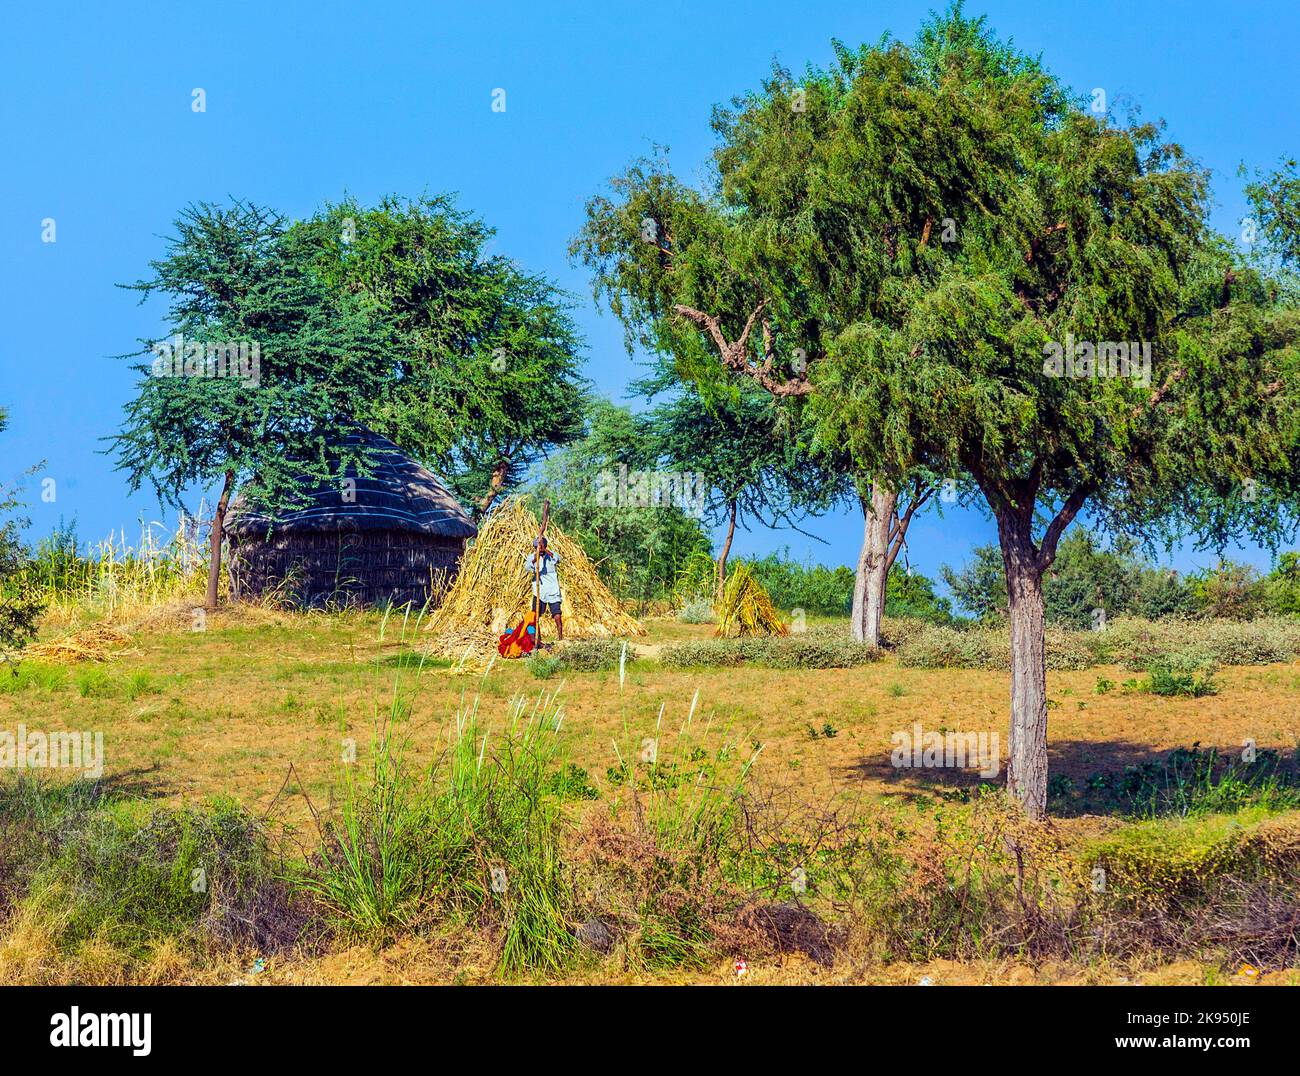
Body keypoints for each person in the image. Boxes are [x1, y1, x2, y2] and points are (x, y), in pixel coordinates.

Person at [524, 536, 563, 643]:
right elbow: (527, 567)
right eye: (537, 547)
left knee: (557, 615)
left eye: (541, 547)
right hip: (539, 591)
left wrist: (545, 550)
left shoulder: (551, 555)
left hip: (552, 590)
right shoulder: (532, 557)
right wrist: (535, 558)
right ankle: (536, 639)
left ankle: (560, 638)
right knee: (534, 615)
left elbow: (558, 559)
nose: (540, 549)